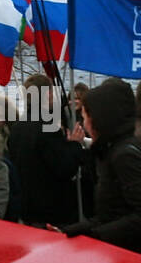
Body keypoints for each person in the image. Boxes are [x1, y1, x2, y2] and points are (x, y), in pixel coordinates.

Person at [54, 78, 141, 260]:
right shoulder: (113, 150)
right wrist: (77, 230)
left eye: (85, 117)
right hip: (124, 251)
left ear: (99, 119)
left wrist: (97, 235)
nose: (84, 122)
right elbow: (113, 212)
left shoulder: (124, 156)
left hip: (135, 256)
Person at [6, 74, 84, 228]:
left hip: (25, 206)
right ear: (48, 94)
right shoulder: (48, 128)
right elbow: (64, 168)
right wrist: (75, 145)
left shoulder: (17, 127)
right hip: (49, 210)